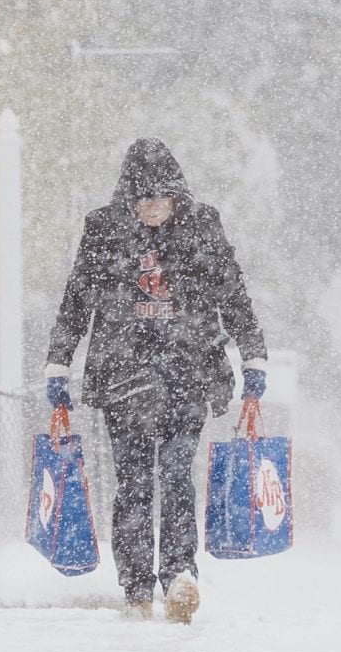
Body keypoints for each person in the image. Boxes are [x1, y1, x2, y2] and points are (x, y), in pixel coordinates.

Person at [45, 138, 267, 622]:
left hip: (187, 372)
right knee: (134, 482)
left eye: (160, 199)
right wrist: (58, 366)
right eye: (141, 200)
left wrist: (254, 362)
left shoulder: (202, 226)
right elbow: (77, 299)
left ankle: (179, 574)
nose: (151, 209)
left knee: (176, 476)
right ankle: (136, 586)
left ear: (176, 196)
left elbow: (233, 295)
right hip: (125, 377)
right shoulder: (104, 229)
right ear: (128, 198)